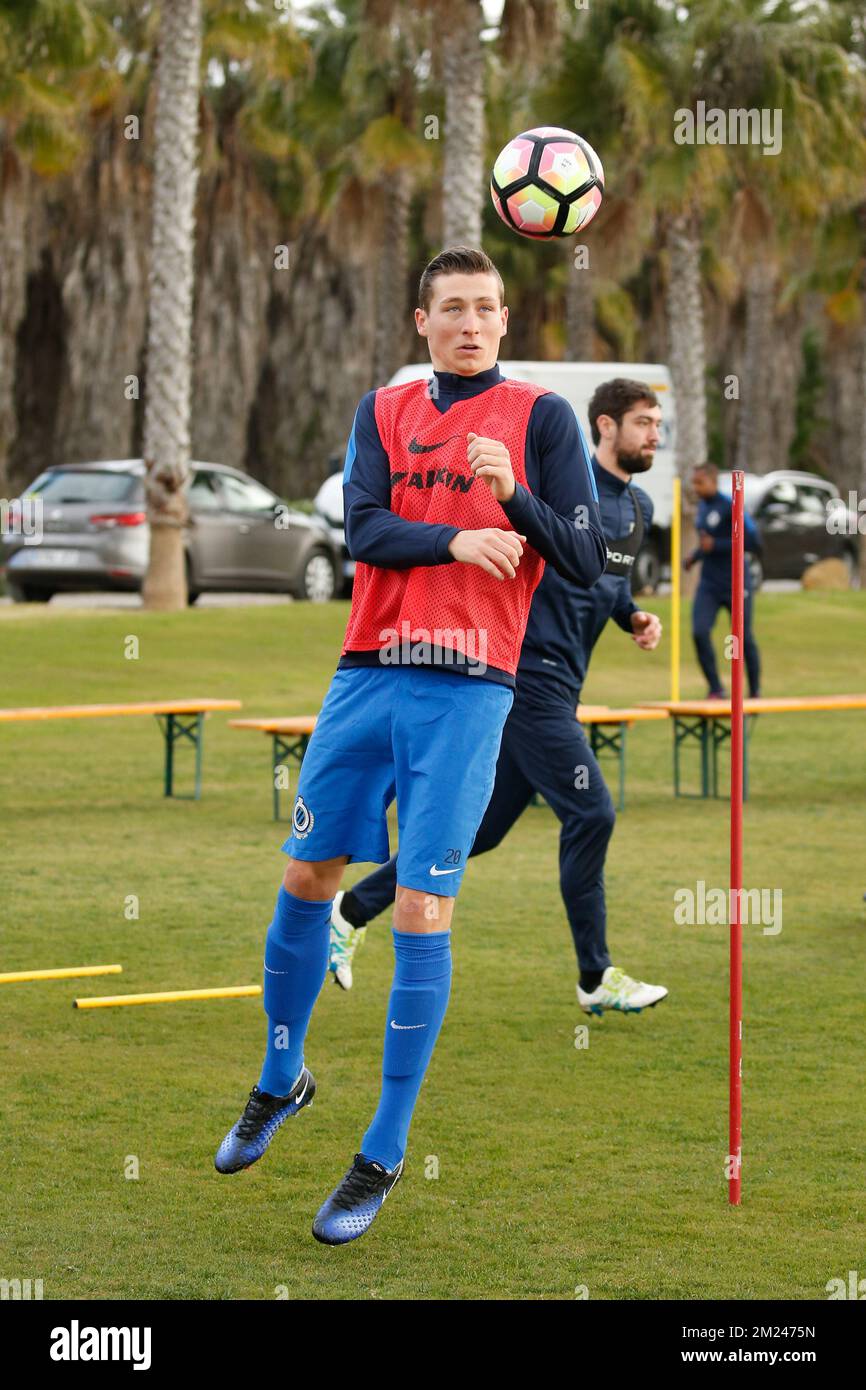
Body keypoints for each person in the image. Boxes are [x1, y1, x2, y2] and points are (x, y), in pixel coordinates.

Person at [213, 245, 607, 1245]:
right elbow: (363, 529)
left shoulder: (541, 420)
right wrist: (454, 539)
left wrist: (512, 496)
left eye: (486, 307)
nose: (470, 322)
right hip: (366, 671)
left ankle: (381, 1150)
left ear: (504, 322)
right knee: (307, 876)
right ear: (420, 323)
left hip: (471, 689)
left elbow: (582, 556)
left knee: (424, 903)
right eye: (452, 308)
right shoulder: (381, 412)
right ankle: (278, 1076)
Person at [329, 378, 669, 1020]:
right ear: (604, 427)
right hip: (524, 680)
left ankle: (349, 911)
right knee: (592, 812)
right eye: (644, 423)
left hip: (564, 686)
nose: (654, 435)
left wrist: (631, 617)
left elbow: (601, 578)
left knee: (475, 835)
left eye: (658, 424)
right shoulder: (548, 484)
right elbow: (541, 559)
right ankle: (595, 977)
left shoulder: (639, 508)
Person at [686, 462, 761, 698]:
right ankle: (715, 688)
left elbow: (753, 542)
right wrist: (694, 557)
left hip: (736, 584)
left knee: (742, 637)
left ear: (713, 481)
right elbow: (707, 542)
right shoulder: (703, 508)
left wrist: (716, 546)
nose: (695, 488)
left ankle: (755, 691)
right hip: (709, 583)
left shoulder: (731, 506)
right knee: (699, 632)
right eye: (694, 482)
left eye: (700, 482)